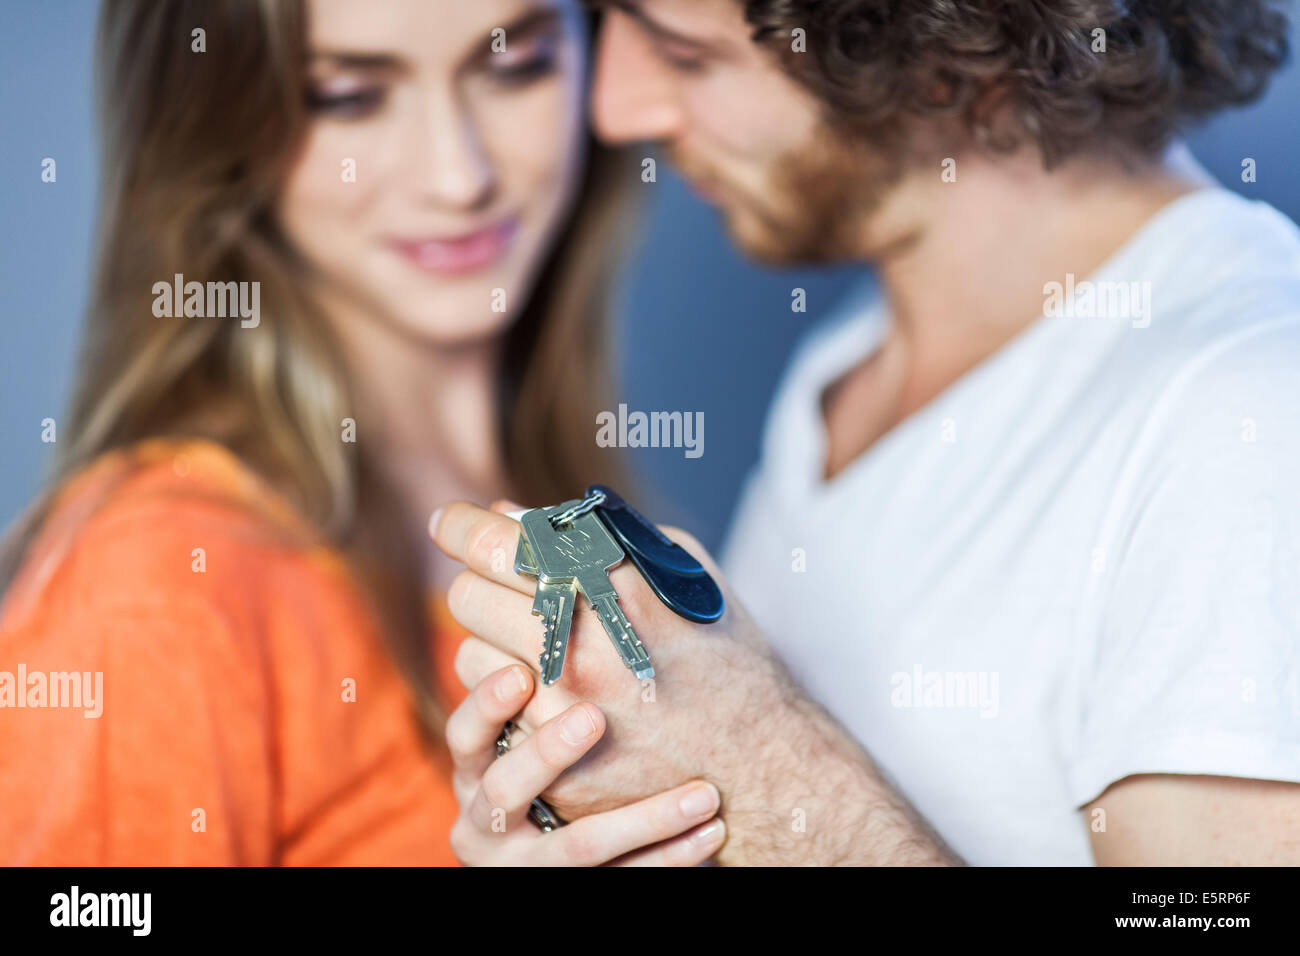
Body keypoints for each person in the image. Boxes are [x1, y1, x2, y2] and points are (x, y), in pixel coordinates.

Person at [435, 0, 1300, 864]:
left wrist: (760, 760)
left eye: (684, 53)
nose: (615, 109)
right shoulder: (847, 360)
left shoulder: (1249, 417)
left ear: (946, 50)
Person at [0, 0, 724, 866]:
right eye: (349, 97)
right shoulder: (155, 576)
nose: (458, 174)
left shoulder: (585, 505)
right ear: (219, 118)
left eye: (515, 67)